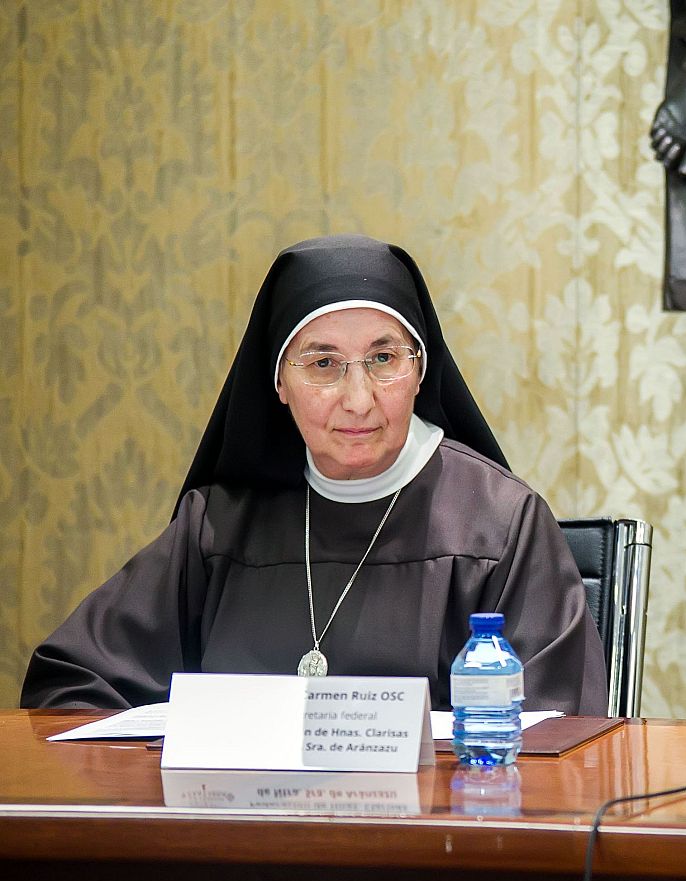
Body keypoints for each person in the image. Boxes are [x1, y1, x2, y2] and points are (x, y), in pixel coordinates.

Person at [22, 234, 607, 714]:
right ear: (279, 382)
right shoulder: (218, 526)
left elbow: (556, 733)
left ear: (420, 370)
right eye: (324, 364)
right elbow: (73, 681)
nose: (358, 399)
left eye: (383, 359)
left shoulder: (501, 525)